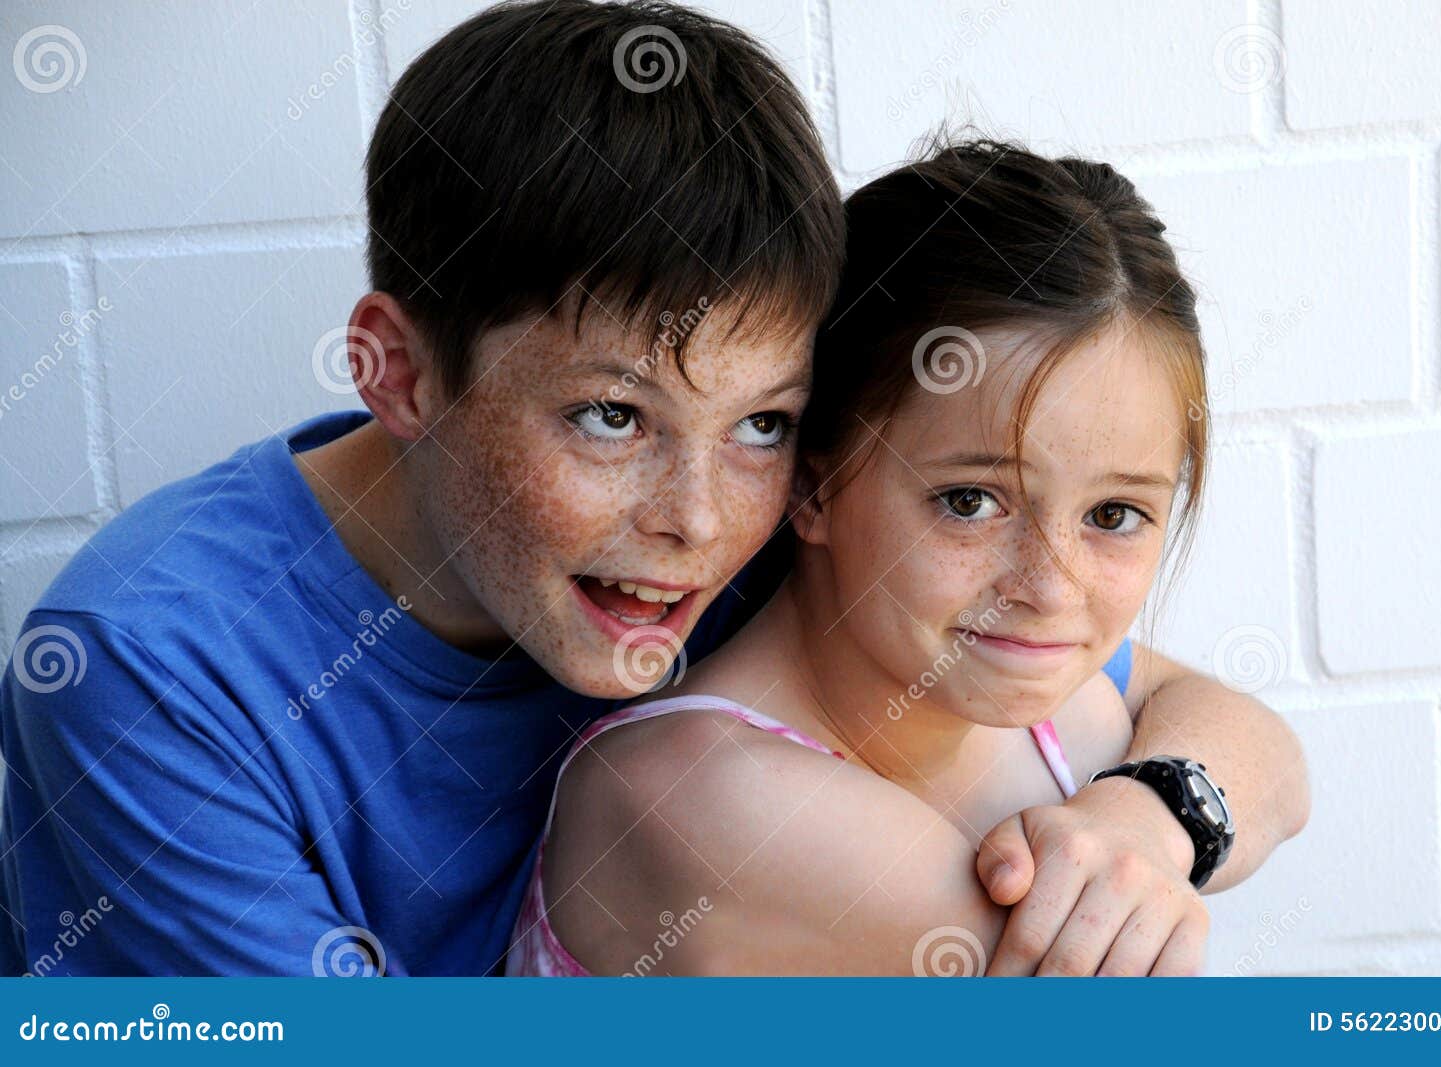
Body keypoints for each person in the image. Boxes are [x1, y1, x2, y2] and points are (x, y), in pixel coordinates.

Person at [0, 1, 1306, 978]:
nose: (700, 519)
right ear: (400, 371)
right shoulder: (146, 668)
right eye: (611, 417)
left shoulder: (751, 520)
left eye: (765, 421)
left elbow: (1194, 705)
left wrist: (1156, 811)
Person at [510, 138, 1297, 977]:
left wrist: (1153, 812)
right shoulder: (696, 796)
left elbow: (1272, 759)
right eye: (971, 502)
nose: (1050, 589)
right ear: (813, 484)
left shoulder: (1034, 697)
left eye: (1114, 514)